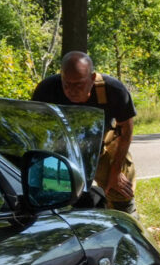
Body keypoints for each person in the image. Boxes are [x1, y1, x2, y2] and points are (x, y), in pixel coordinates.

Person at [32, 51, 137, 213]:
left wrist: (116, 171)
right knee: (54, 197)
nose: (71, 90)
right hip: (61, 149)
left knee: (120, 190)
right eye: (67, 84)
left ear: (92, 78)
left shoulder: (113, 89)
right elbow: (36, 131)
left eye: (79, 84)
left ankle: (127, 225)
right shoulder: (46, 90)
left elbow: (127, 130)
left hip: (103, 147)